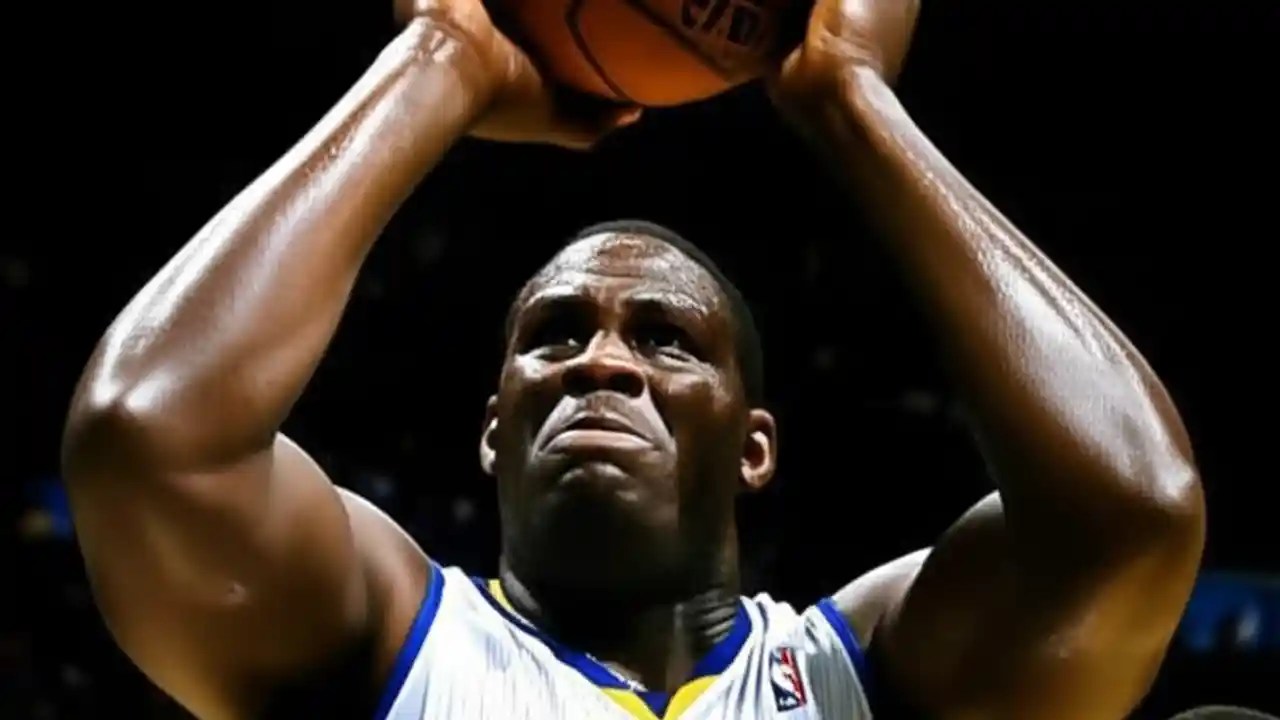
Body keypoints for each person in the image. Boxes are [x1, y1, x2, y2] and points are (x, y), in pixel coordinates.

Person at [60, 0, 1207, 717]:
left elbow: (1128, 517)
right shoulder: (382, 641)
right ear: (493, 426)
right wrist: (441, 58)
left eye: (665, 340)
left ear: (754, 445)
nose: (597, 364)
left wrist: (850, 101)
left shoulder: (863, 679)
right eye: (552, 335)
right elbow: (147, 437)